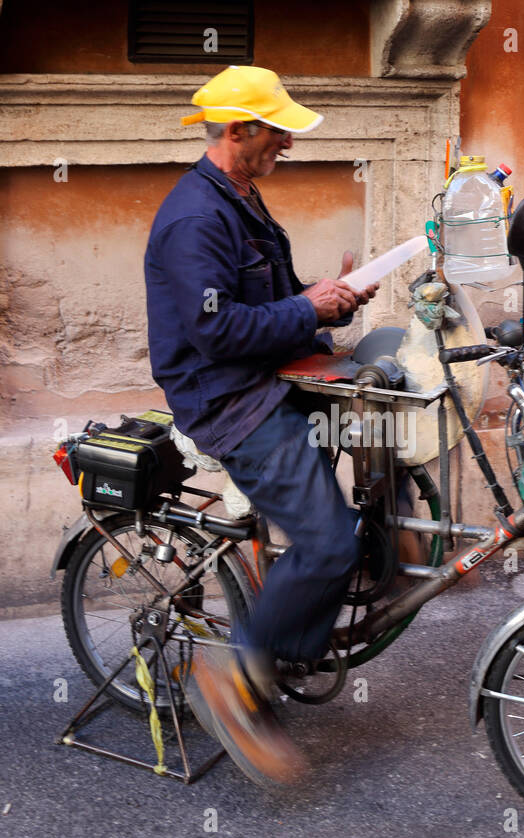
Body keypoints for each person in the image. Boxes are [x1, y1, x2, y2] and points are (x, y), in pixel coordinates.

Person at [144, 66, 379, 784]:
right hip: (231, 399)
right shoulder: (195, 219)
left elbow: (268, 302)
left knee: (382, 409)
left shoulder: (242, 197)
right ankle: (235, 680)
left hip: (270, 375)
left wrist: (322, 296)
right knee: (328, 542)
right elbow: (220, 333)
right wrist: (310, 310)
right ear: (239, 131)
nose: (286, 143)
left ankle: (321, 606)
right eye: (277, 131)